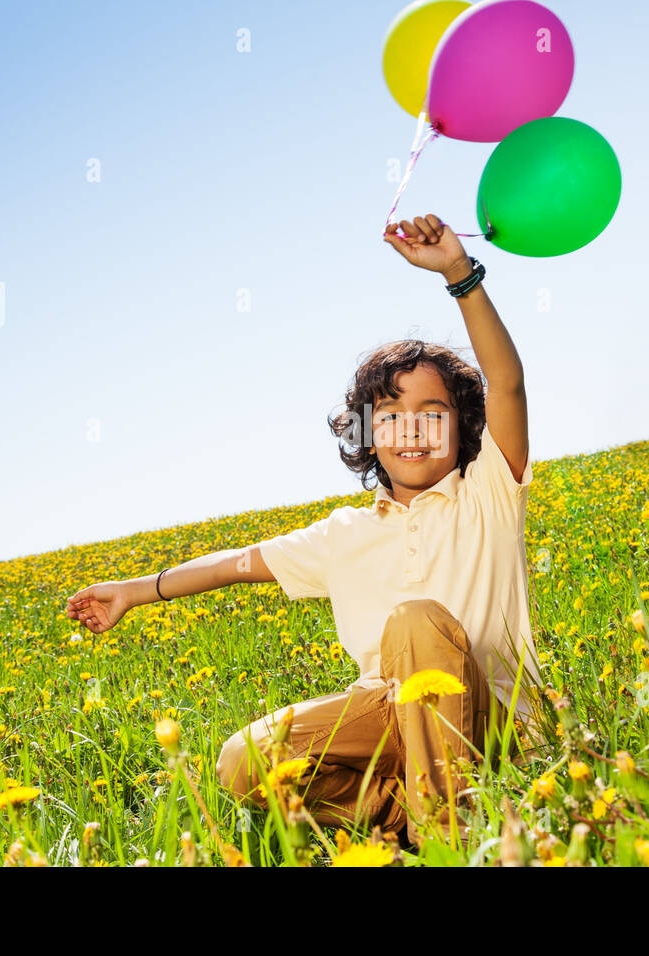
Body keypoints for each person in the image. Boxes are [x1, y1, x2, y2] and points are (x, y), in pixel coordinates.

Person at [66, 213, 541, 849]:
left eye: (434, 413)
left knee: (415, 621)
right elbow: (232, 564)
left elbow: (507, 382)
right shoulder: (343, 534)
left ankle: (453, 841)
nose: (414, 428)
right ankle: (398, 817)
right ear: (368, 434)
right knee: (244, 760)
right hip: (387, 720)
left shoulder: (488, 492)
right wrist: (134, 589)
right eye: (391, 415)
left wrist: (460, 273)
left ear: (463, 428)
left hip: (492, 725)